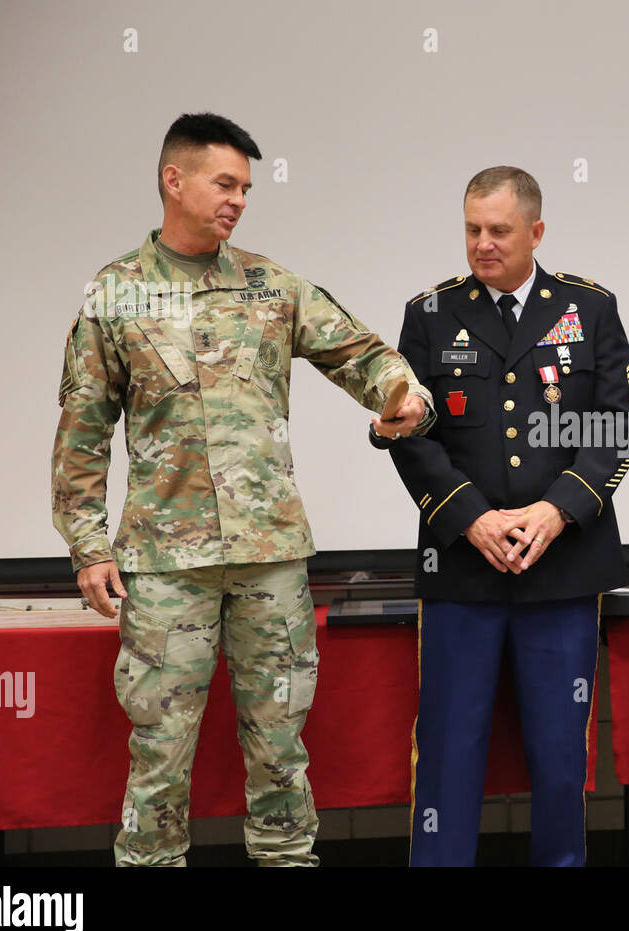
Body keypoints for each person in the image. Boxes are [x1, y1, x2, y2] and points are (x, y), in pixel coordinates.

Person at [51, 112, 433, 866]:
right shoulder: (116, 294)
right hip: (165, 565)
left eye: (246, 188)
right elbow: (83, 430)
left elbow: (361, 353)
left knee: (281, 744)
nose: (239, 200)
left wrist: (400, 392)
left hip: (270, 558)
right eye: (225, 183)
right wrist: (87, 545)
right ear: (174, 180)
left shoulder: (271, 285)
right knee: (160, 751)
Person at [374, 166, 629, 866]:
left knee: (560, 759)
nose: (483, 244)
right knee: (448, 753)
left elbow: (618, 426)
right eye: (471, 230)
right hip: (463, 569)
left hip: (562, 570)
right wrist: (471, 518)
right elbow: (410, 433)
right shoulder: (430, 314)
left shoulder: (591, 307)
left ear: (536, 231)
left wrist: (558, 512)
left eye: (498, 230)